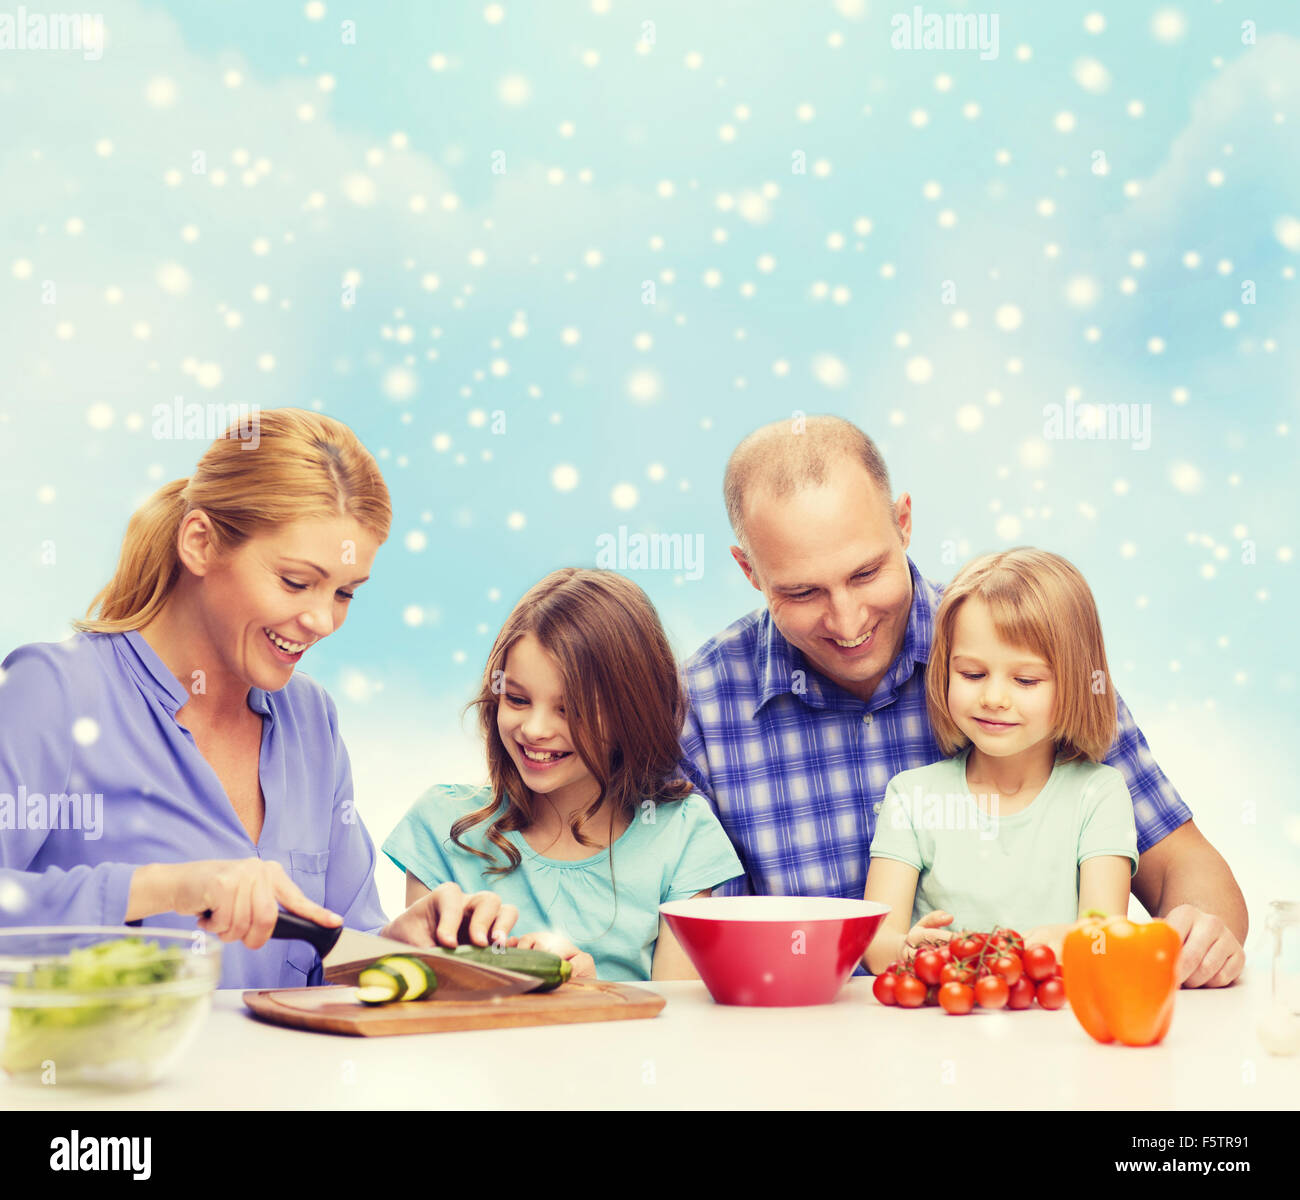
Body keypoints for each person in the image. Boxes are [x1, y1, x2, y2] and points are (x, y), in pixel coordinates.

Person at [679, 414, 1248, 987]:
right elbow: (688, 937)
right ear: (750, 570)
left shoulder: (1021, 647)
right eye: (802, 591)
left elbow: (1182, 862)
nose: (847, 620)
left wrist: (1198, 932)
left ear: (903, 523)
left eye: (867, 572)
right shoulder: (700, 704)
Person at [0, 408, 488, 988]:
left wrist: (398, 949)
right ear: (201, 543)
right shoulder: (55, 692)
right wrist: (171, 888)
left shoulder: (311, 721)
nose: (323, 619)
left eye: (345, 593)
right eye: (296, 582)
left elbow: (330, 947)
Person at [382, 568, 744, 980]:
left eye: (570, 709)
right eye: (517, 699)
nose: (535, 730)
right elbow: (415, 1000)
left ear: (633, 710)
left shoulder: (682, 835)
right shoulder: (443, 825)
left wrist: (591, 992)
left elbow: (680, 1023)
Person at [863, 549, 1137, 972]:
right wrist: (907, 949)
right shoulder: (910, 796)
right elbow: (876, 942)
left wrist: (1060, 943)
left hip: (1053, 1027)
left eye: (1025, 680)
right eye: (972, 674)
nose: (993, 698)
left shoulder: (1098, 794)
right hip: (937, 1026)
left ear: (1078, 683)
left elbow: (1105, 935)